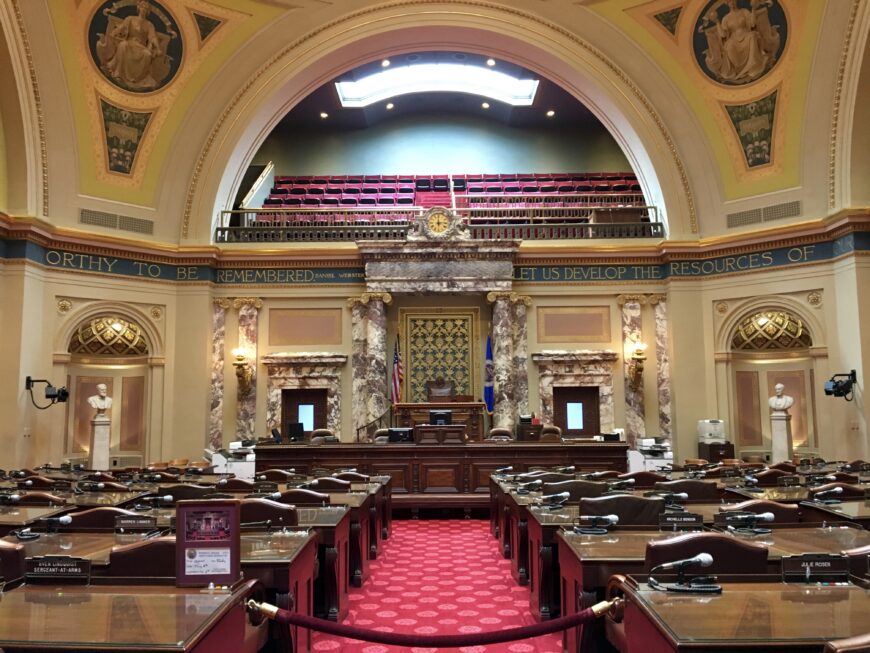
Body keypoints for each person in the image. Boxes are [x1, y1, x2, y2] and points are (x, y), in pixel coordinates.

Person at [104, 0, 162, 90]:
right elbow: (122, 27)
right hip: (129, 43)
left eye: (146, 8)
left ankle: (138, 78)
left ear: (148, 12)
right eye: (142, 7)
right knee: (123, 45)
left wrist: (158, 48)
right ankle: (119, 72)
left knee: (148, 54)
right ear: (138, 8)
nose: (144, 9)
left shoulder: (149, 25)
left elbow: (153, 37)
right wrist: (115, 32)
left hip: (141, 47)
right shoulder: (130, 18)